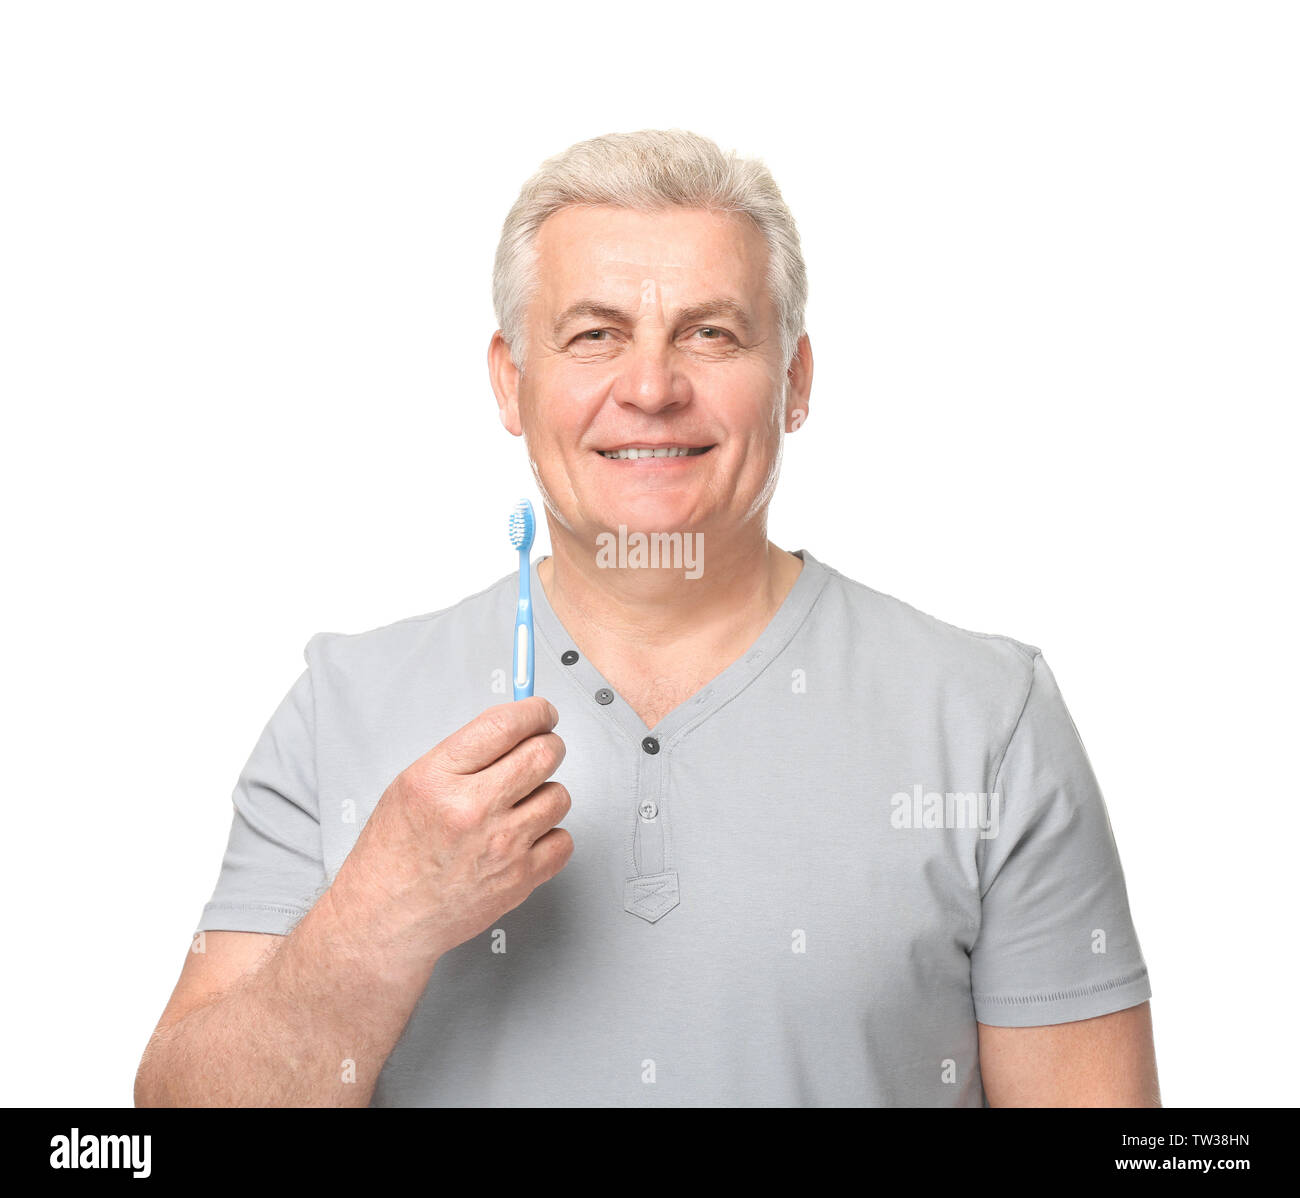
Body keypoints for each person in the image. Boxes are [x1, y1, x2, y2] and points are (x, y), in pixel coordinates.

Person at [135, 129, 1159, 1107]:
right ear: (510, 380)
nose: (652, 388)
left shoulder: (989, 721)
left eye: (710, 334)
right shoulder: (341, 708)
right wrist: (371, 925)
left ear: (794, 380)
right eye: (594, 336)